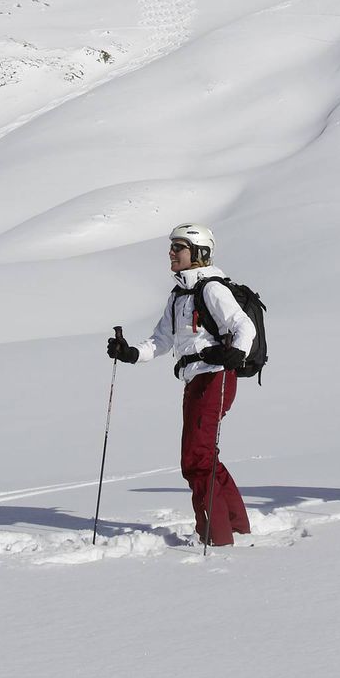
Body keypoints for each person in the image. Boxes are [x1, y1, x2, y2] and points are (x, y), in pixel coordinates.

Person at [105, 223, 257, 546]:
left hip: (215, 376)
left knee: (196, 458)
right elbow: (160, 340)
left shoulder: (211, 289)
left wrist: (234, 354)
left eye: (179, 247)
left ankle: (216, 538)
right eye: (172, 247)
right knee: (203, 456)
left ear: (199, 253)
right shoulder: (179, 296)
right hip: (194, 380)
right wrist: (131, 353)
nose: (171, 253)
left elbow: (243, 327)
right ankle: (236, 525)